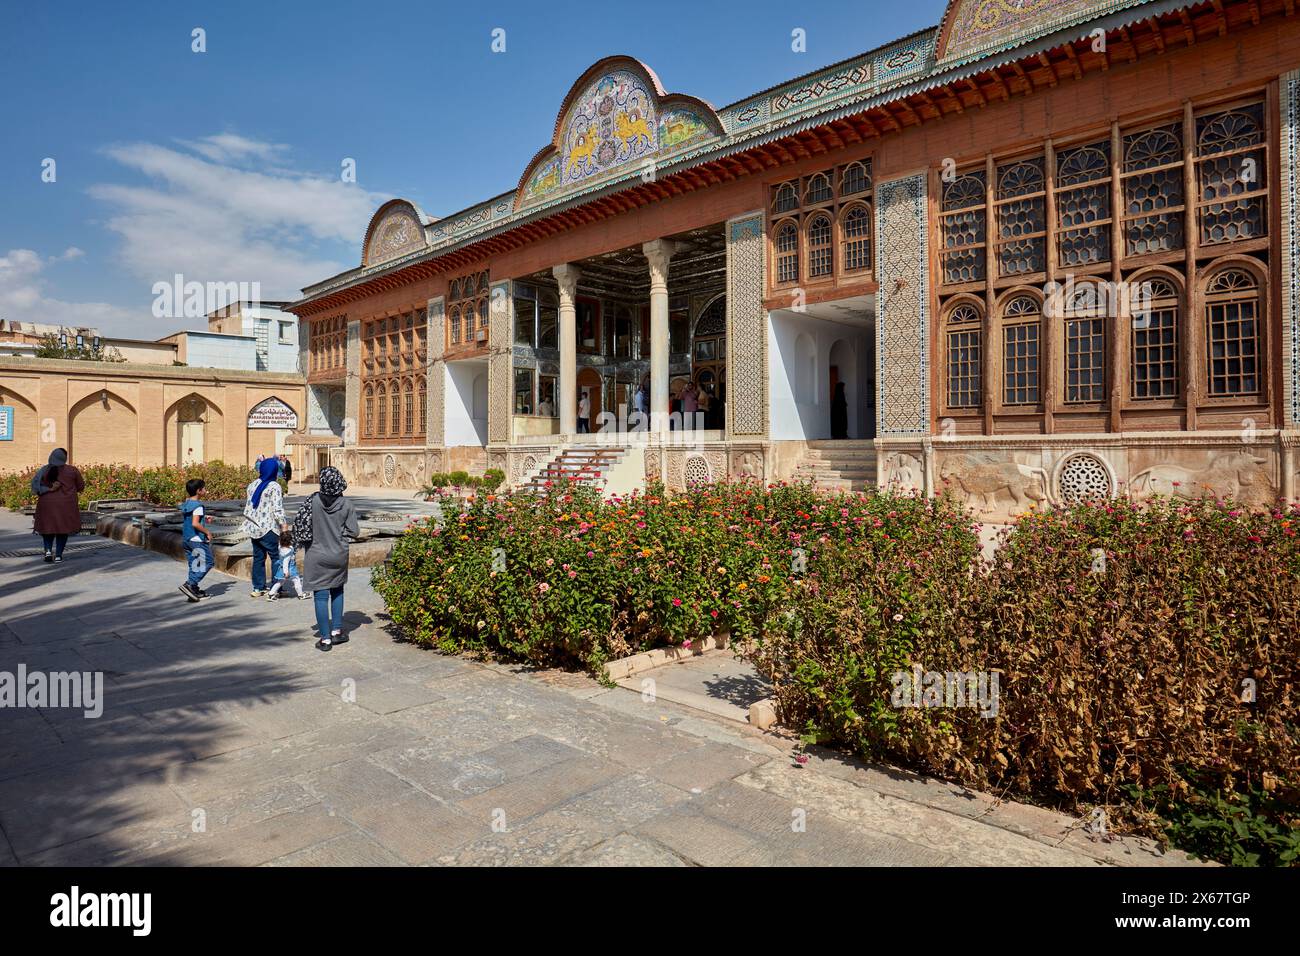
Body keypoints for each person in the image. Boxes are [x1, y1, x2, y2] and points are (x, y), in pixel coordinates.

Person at [297, 466, 359, 651]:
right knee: (337, 591)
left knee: (321, 596)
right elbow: (354, 532)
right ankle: (337, 631)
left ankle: (325, 639)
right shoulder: (346, 504)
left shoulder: (313, 501)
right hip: (338, 554)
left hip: (316, 555)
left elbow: (301, 524)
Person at [243, 456, 287, 598]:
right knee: (276, 557)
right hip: (269, 528)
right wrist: (284, 526)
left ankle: (258, 587)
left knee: (258, 557)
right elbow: (277, 509)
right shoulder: (274, 486)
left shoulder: (252, 485)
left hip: (254, 528)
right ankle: (276, 587)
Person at [32, 448, 83, 564]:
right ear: (64, 458)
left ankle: (48, 551)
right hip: (66, 505)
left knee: (47, 529)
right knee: (62, 530)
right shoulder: (72, 471)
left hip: (46, 505)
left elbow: (35, 486)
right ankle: (59, 556)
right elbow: (80, 486)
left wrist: (49, 489)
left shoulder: (44, 470)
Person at [179, 478, 214, 601]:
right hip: (196, 540)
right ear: (199, 491)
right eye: (204, 488)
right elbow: (195, 523)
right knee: (208, 562)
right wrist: (207, 532)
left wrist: (204, 518)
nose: (205, 490)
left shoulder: (187, 502)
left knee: (194, 563)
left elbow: (192, 519)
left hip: (187, 538)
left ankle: (192, 590)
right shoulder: (198, 506)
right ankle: (189, 584)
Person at [266, 530, 306, 601]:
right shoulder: (288, 552)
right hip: (289, 570)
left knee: (280, 582)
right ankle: (301, 594)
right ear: (290, 541)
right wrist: (286, 572)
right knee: (297, 580)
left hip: (280, 569)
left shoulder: (280, 547)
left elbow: (282, 541)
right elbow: (285, 563)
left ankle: (271, 594)